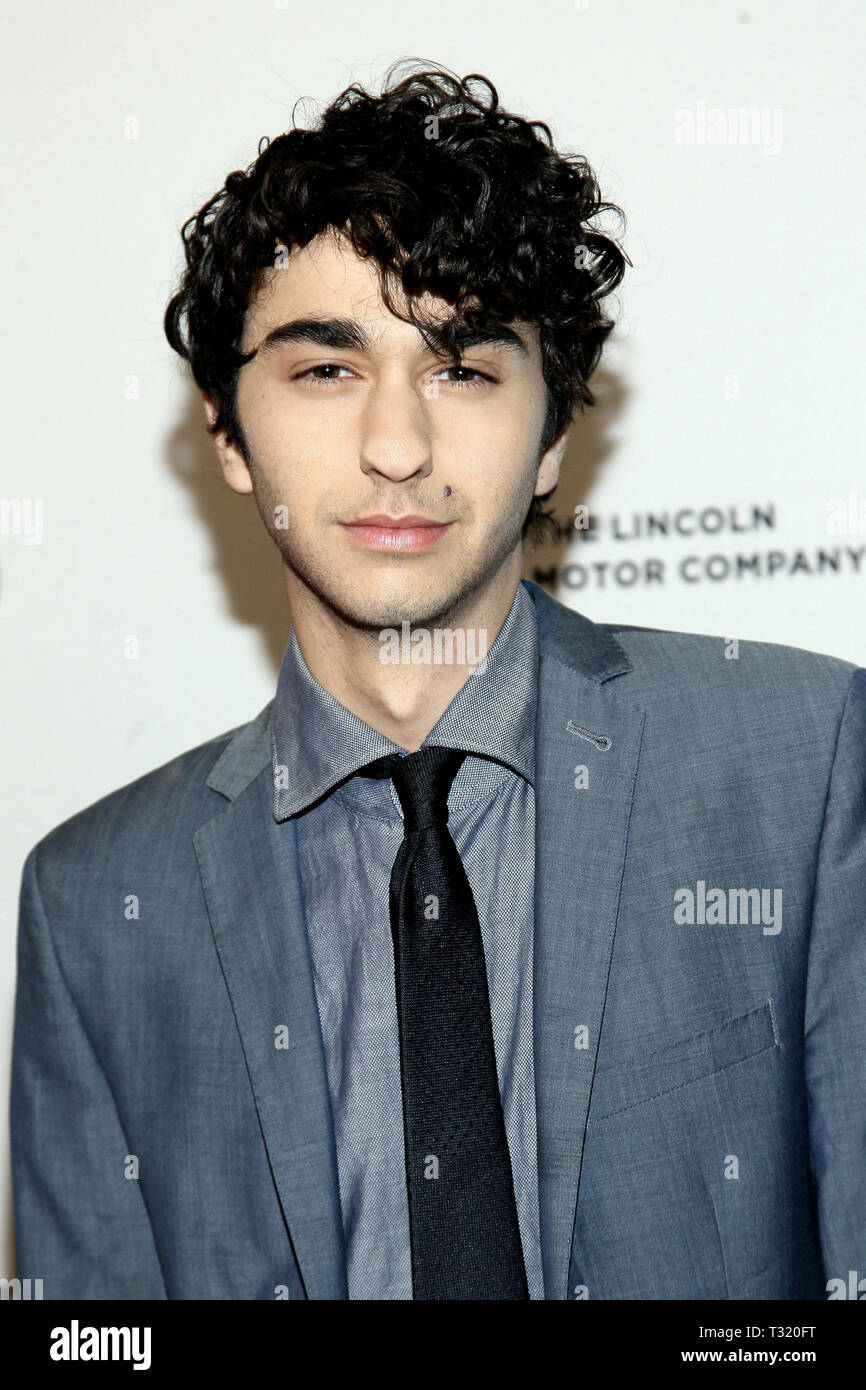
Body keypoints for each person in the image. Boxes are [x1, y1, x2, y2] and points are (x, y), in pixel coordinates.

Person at [11, 62, 865, 1301]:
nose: (398, 446)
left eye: (462, 366)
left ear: (554, 431)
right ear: (227, 434)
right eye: (326, 370)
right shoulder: (97, 903)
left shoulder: (803, 765)